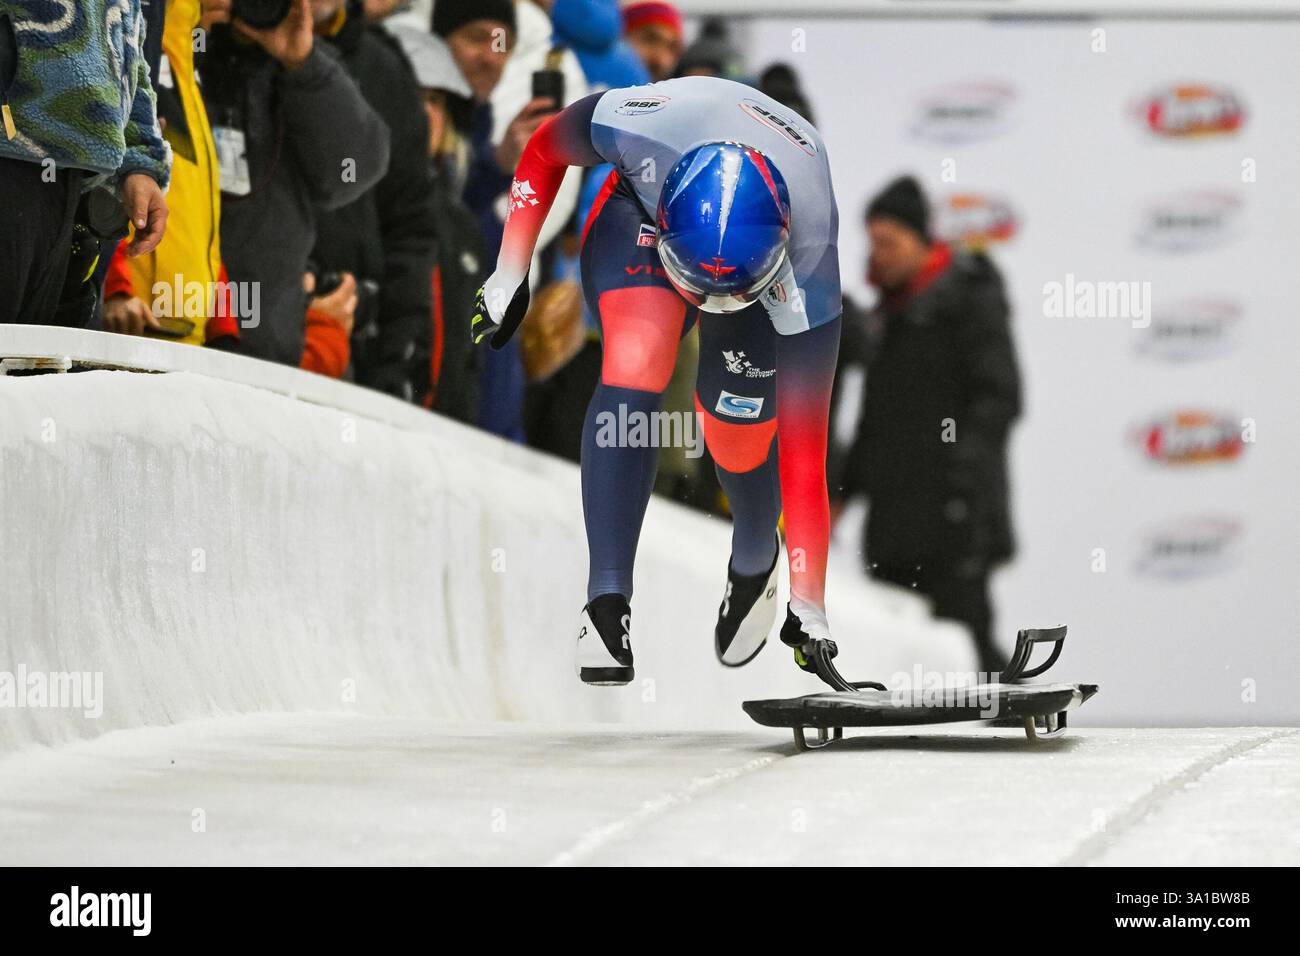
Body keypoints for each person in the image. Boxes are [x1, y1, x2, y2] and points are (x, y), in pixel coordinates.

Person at [471, 76, 843, 686]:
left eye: (729, 293)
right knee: (637, 362)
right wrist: (510, 273)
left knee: (738, 433)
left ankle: (755, 556)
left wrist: (811, 606)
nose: (711, 305)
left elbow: (805, 456)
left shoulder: (812, 262)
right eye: (701, 287)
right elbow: (543, 149)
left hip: (751, 260)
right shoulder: (637, 125)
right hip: (636, 217)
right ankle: (606, 603)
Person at [836, 176, 1022, 674]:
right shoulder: (887, 316)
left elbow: (1000, 397)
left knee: (967, 638)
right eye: (872, 242)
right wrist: (843, 492)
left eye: (889, 242)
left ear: (921, 243)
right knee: (912, 648)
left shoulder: (970, 299)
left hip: (955, 518)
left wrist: (963, 486)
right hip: (893, 525)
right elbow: (875, 422)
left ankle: (1015, 715)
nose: (879, 255)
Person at [197, 0, 390, 367]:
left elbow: (354, 169)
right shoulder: (171, 43)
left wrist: (304, 62)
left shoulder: (299, 68)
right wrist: (189, 32)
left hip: (265, 347)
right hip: (161, 324)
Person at [0, 0, 170, 325]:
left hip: (79, 183)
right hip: (10, 158)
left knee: (38, 366)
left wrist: (138, 160)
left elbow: (130, 42)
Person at [309, 0, 437, 401]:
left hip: (355, 347)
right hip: (247, 327)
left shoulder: (384, 70)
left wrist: (399, 357)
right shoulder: (236, 45)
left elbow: (411, 226)